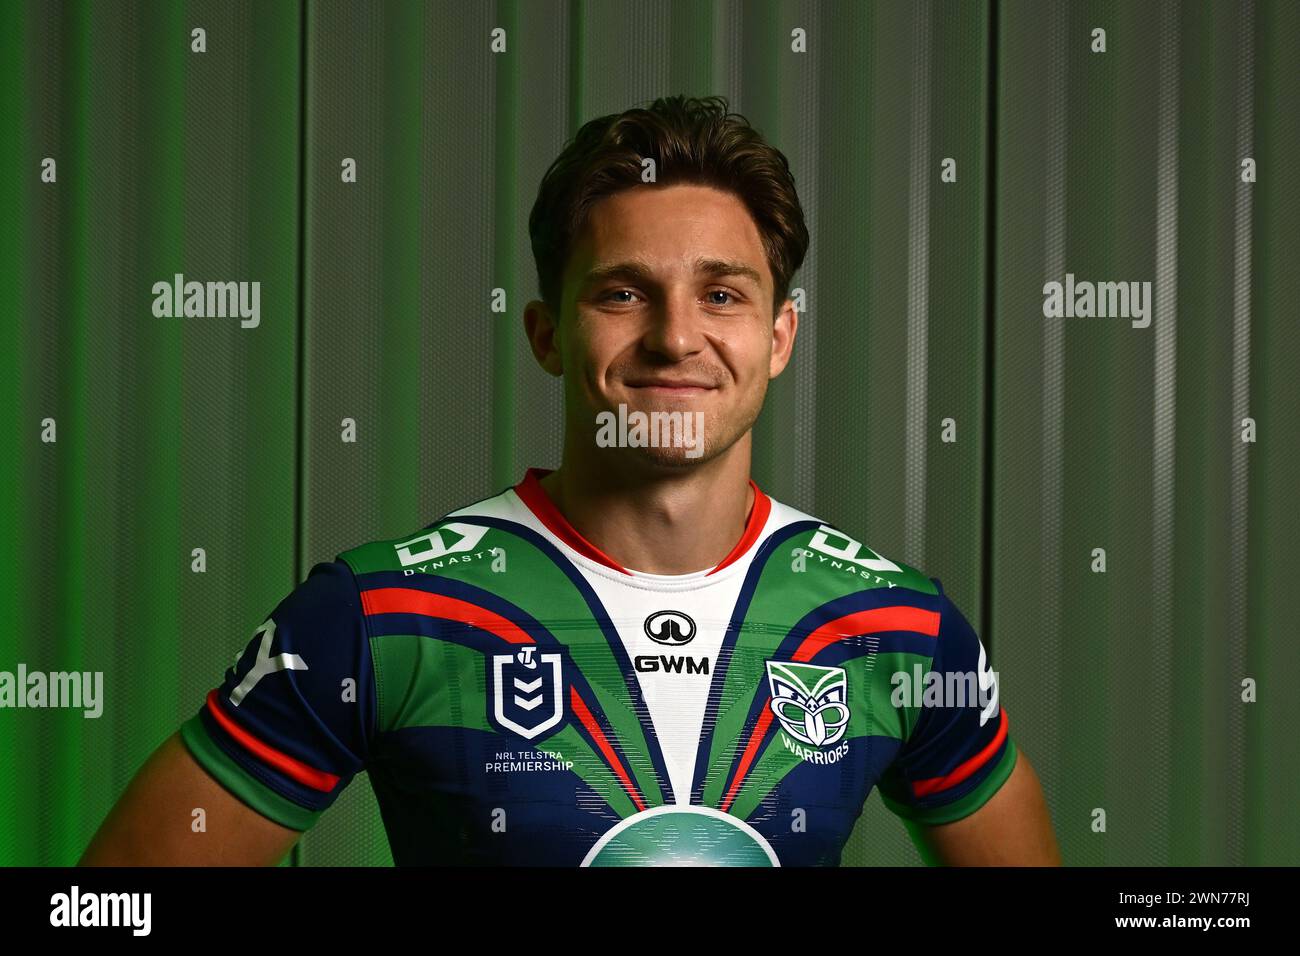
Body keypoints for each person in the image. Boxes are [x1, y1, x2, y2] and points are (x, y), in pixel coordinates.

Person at [81, 94, 1059, 866]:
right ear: (548, 334)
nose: (676, 335)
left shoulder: (898, 624)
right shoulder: (382, 611)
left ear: (777, 337)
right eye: (623, 291)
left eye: (721, 293)